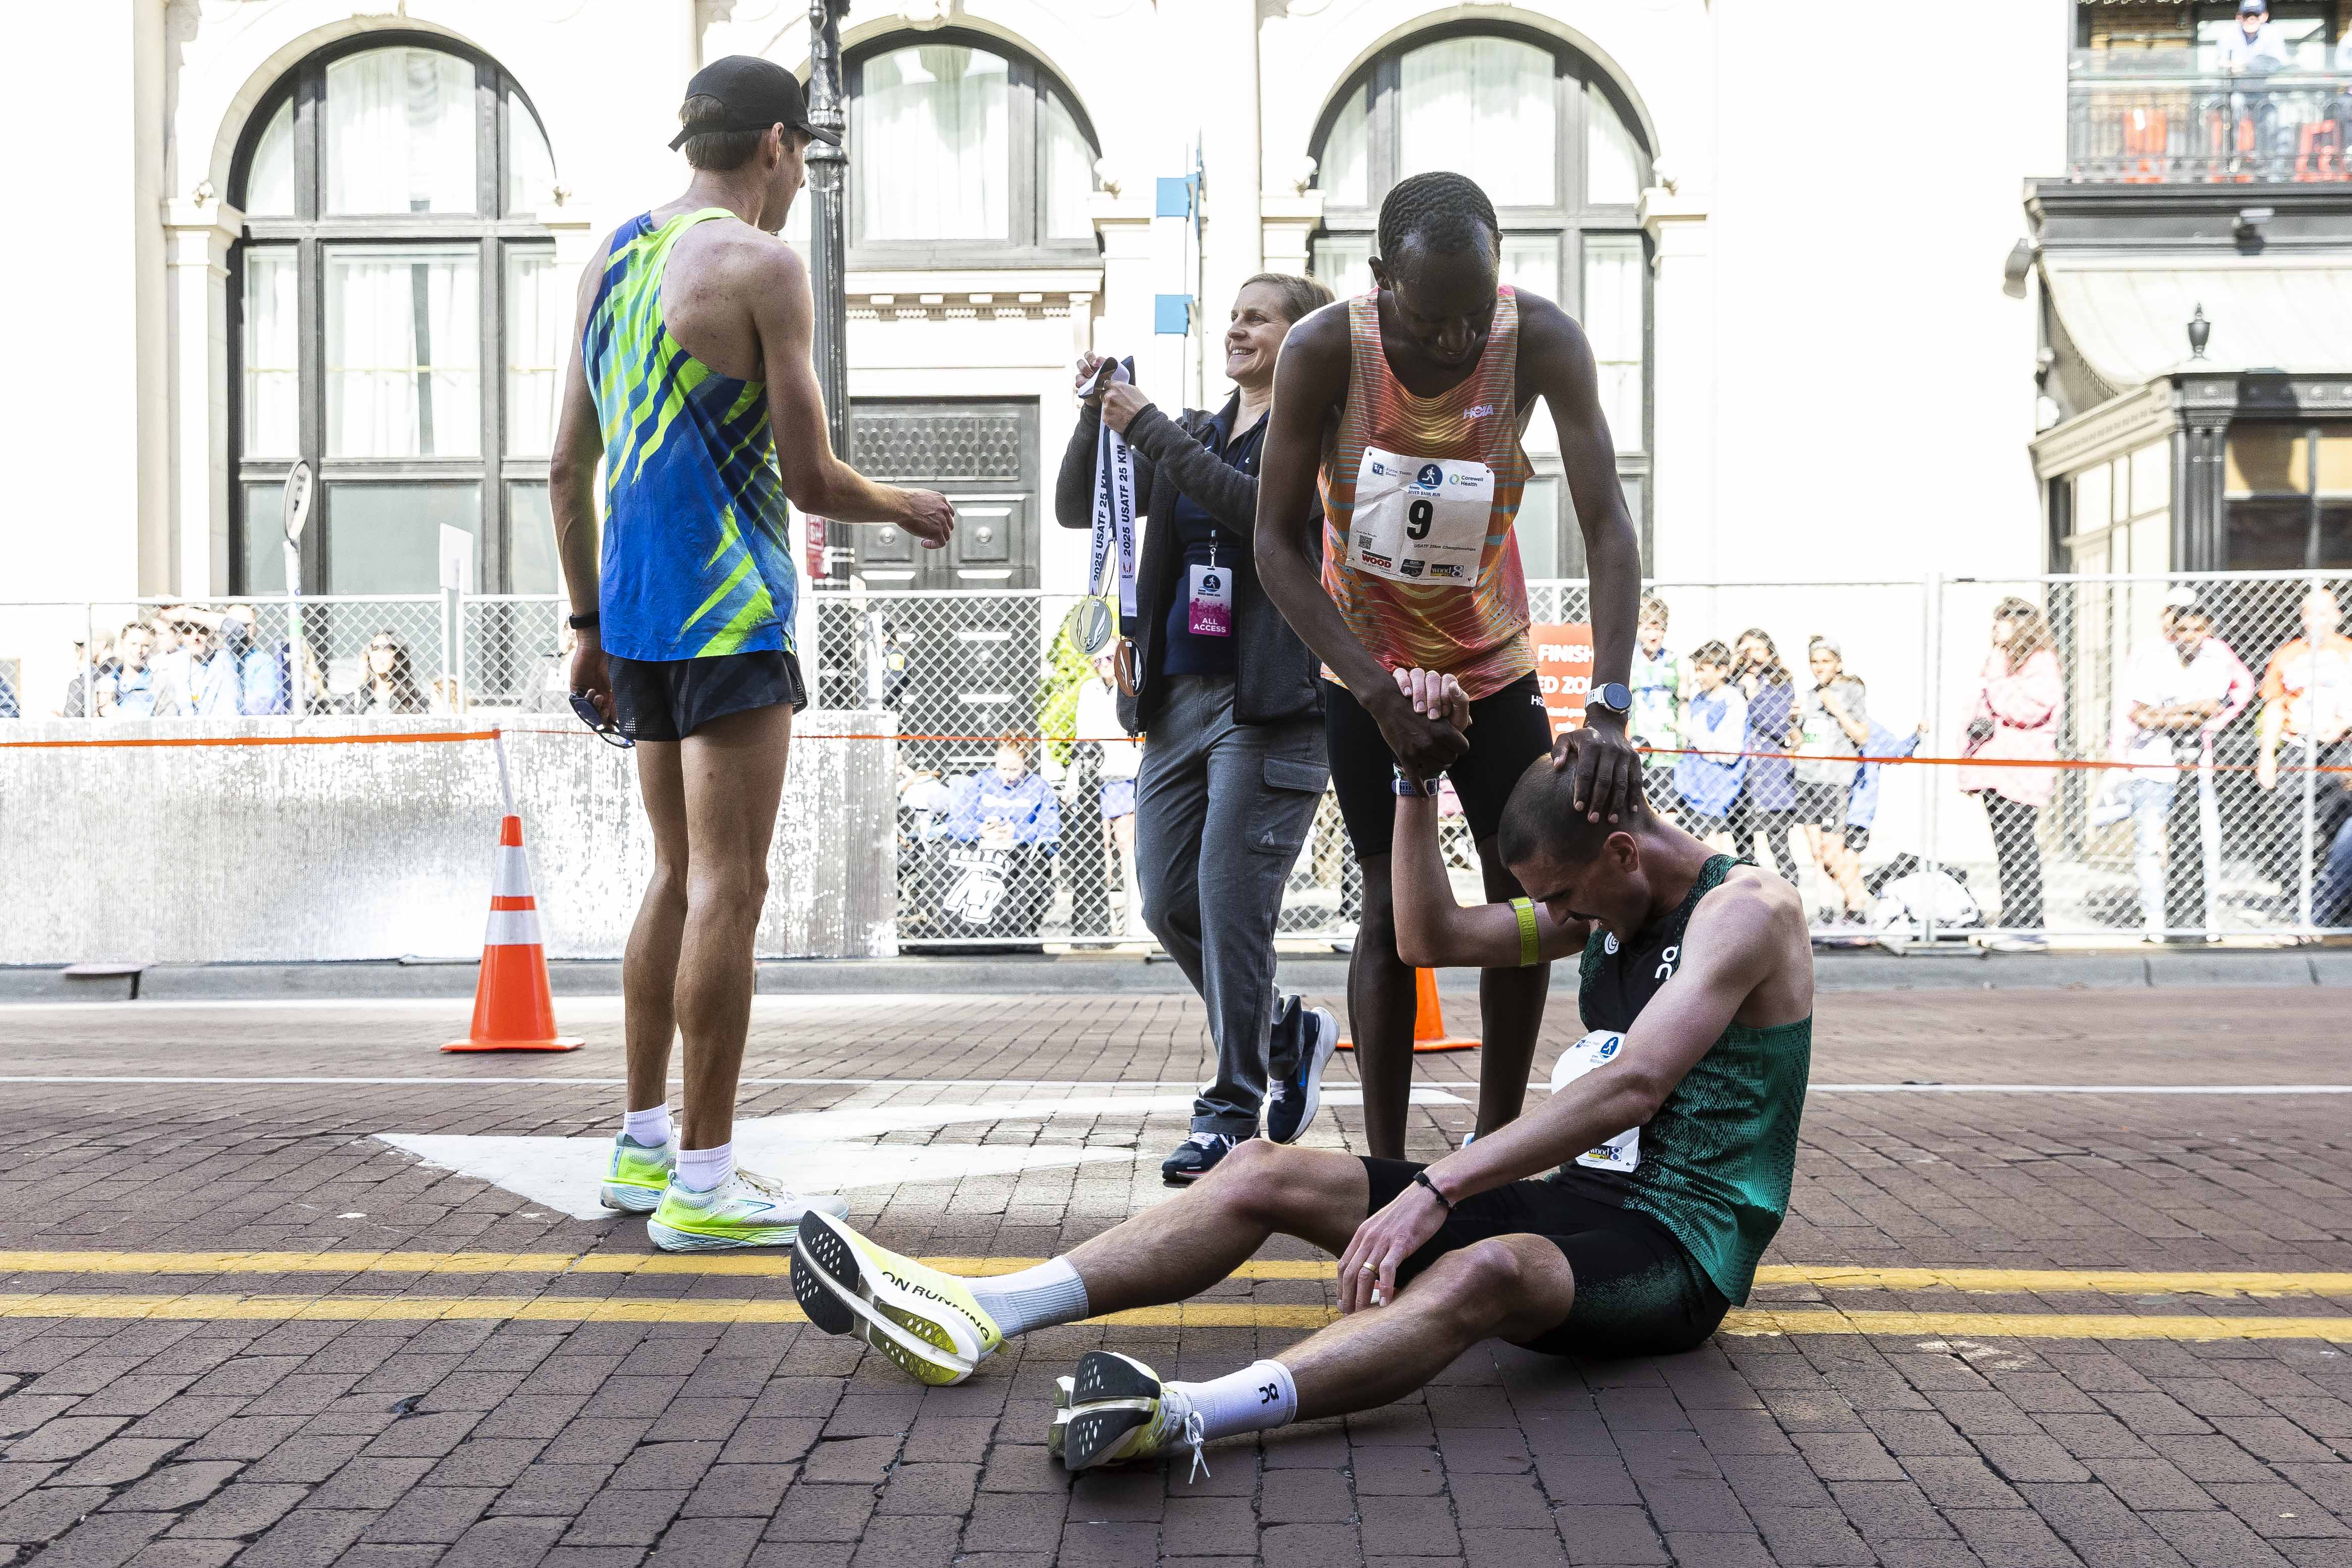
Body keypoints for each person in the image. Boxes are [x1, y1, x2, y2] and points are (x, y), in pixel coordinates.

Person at [784, 707, 1811, 1479]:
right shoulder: (1607, 901)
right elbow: (1427, 936)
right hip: (1580, 1203)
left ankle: (1183, 1415)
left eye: (1562, 895)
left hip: (1676, 1250)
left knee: (1485, 1268)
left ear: (1623, 852)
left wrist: (1438, 1184)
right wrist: (1414, 780)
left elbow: (1634, 1083)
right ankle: (983, 1309)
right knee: (1258, 1167)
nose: (1557, 917)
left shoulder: (1745, 912)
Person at [550, 56, 955, 1251]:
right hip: (726, 612)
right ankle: (705, 1179)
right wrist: (905, 506)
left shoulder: (612, 258)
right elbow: (810, 477)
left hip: (633, 613)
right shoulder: (760, 265)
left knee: (675, 876)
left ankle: (641, 1147)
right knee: (732, 886)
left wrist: (585, 625)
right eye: (801, 158)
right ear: (777, 144)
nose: (799, 181)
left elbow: (565, 468)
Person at [1252, 170, 1646, 1159]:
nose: (1456, 340)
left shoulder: (1542, 340)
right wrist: (1375, 690)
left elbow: (1607, 524)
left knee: (1524, 896)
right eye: (1432, 321)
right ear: (1380, 279)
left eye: (1474, 315)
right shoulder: (1324, 349)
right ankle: (1387, 1165)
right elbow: (1273, 545)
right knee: (1391, 910)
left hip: (1492, 664)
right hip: (1365, 672)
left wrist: (1607, 705)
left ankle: (1491, 1145)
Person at [1054, 274, 1341, 1174]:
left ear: (1304, 339)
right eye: (1234, 316)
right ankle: (1284, 1031)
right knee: (1168, 902)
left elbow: (1259, 514)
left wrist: (1147, 426)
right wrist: (1098, 412)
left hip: (1270, 705)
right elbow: (1077, 505)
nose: (1236, 328)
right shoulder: (1200, 432)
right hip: (1177, 700)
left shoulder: (1321, 439)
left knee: (1229, 904)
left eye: (1259, 317)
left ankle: (1229, 1112)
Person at [2116, 595, 2253, 941]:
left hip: (2196, 765)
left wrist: (2163, 714)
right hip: (2153, 763)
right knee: (2149, 844)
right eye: (2183, 630)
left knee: (2209, 842)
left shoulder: (2216, 661)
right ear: (2172, 632)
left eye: (2197, 630)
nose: (2190, 637)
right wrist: (2184, 713)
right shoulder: (2153, 659)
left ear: (2208, 631)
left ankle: (2206, 915)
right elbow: (2139, 713)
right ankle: (2155, 917)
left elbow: (2210, 709)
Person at [1957, 598, 2062, 950]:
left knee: (2020, 844)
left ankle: (2029, 924)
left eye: (2004, 620)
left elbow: (2026, 709)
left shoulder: (2041, 662)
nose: (1996, 627)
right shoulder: (1997, 660)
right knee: (2005, 846)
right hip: (1994, 769)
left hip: (2022, 770)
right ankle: (2012, 917)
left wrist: (1996, 683)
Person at [2255, 585, 2352, 911]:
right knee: (2293, 826)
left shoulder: (2348, 652)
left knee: (2337, 826)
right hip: (2299, 745)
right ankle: (2296, 905)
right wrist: (2267, 756)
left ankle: (2334, 908)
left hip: (2340, 748)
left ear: (2337, 616)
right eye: (2309, 613)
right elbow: (2274, 706)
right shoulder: (2288, 655)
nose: (2316, 620)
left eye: (2323, 613)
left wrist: (2342, 724)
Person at [1792, 637, 1870, 926]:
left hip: (1834, 780)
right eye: (1814, 662)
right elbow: (1800, 738)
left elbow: (1862, 735)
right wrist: (1794, 724)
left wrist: (1836, 709)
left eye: (1826, 662)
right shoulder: (1810, 695)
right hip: (1807, 777)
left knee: (1831, 851)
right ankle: (1825, 912)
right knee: (1816, 852)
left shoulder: (1851, 691)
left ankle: (1858, 905)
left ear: (1838, 664)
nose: (1819, 668)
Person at [1073, 653, 1145, 940]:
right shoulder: (1089, 690)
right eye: (1096, 660)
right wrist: (1074, 776)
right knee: (1097, 845)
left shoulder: (1131, 687)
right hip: (1094, 777)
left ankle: (1134, 914)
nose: (1102, 663)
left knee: (1126, 842)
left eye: (1108, 657)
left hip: (1124, 774)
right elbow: (1082, 734)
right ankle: (1104, 917)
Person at [1729, 629, 1800, 885]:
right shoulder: (1732, 683)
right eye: (1746, 650)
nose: (1752, 656)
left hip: (1771, 776)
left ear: (1770, 652)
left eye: (1758, 649)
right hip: (1739, 775)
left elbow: (1779, 726)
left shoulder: (1781, 682)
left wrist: (1753, 697)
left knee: (1778, 843)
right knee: (1743, 844)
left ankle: (1791, 893)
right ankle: (1753, 893)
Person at [1674, 640, 1746, 846]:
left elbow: (1730, 752)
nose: (1698, 677)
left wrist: (1697, 737)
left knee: (1711, 848)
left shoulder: (1732, 700)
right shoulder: (1699, 698)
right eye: (1696, 670)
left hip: (1714, 790)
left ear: (1722, 671)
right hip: (1692, 786)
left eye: (1703, 670)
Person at [1629, 595, 1682, 821]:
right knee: (1639, 810)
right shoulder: (1629, 661)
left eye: (1659, 628)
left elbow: (1684, 701)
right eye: (1648, 628)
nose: (1654, 635)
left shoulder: (1675, 661)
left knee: (1668, 812)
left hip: (1666, 747)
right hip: (1637, 744)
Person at [339, 633, 430, 715]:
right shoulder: (356, 698)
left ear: (398, 656)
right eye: (376, 649)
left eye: (386, 649)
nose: (379, 656)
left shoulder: (414, 699)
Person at [95, 624, 157, 718]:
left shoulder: (156, 683)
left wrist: (120, 715)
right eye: (133, 644)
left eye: (145, 646)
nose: (139, 650)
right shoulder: (107, 680)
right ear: (122, 644)